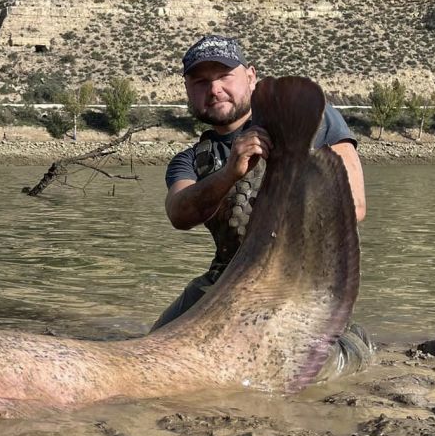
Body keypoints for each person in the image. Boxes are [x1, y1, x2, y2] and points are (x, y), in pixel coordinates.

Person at [152, 35, 372, 376]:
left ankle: (346, 345)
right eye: (201, 81)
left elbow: (355, 207)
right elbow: (178, 213)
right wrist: (229, 174)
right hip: (222, 284)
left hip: (300, 286)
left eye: (225, 76)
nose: (214, 89)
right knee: (151, 355)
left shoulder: (314, 119)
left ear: (251, 77)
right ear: (188, 90)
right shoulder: (188, 161)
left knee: (300, 368)